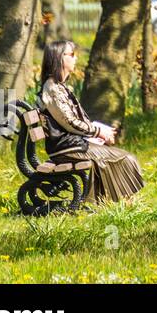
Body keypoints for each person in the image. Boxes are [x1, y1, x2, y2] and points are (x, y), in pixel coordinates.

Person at [38, 40, 145, 203]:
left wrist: (97, 133)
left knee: (122, 157)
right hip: (67, 148)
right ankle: (116, 202)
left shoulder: (59, 86)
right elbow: (70, 122)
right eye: (72, 55)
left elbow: (73, 121)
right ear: (59, 58)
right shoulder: (52, 88)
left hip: (72, 143)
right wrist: (98, 132)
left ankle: (115, 201)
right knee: (125, 158)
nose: (76, 58)